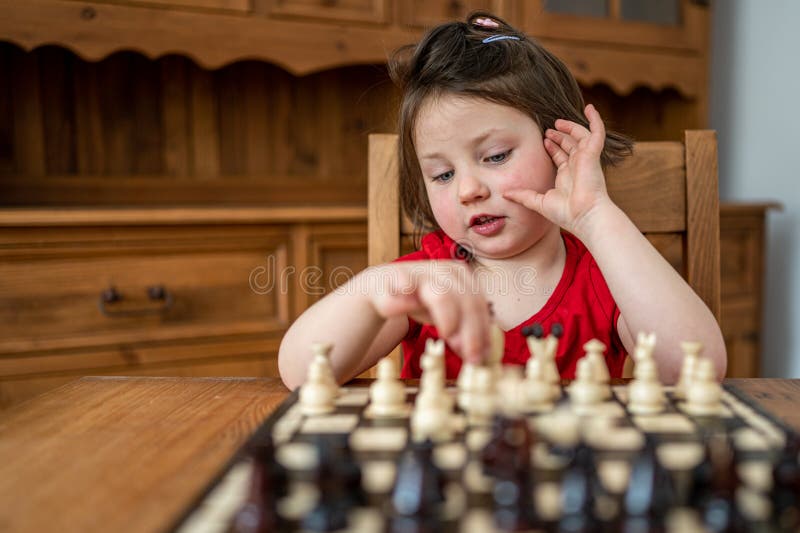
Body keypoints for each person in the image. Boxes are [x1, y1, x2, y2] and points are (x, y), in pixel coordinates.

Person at [278, 12, 726, 390]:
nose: (467, 189)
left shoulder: (606, 278)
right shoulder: (426, 282)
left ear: (559, 146)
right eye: (442, 174)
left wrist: (596, 216)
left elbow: (697, 369)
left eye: (494, 156)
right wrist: (378, 292)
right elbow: (300, 372)